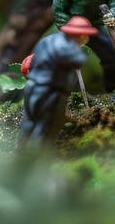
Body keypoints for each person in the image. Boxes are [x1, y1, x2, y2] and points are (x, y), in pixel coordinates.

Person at [19, 16, 95, 147]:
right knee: (44, 126)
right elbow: (80, 60)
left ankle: (20, 153)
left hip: (32, 85)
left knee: (29, 122)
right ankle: (34, 160)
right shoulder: (66, 46)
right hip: (48, 90)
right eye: (85, 36)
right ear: (79, 35)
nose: (87, 39)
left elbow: (31, 61)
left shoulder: (47, 40)